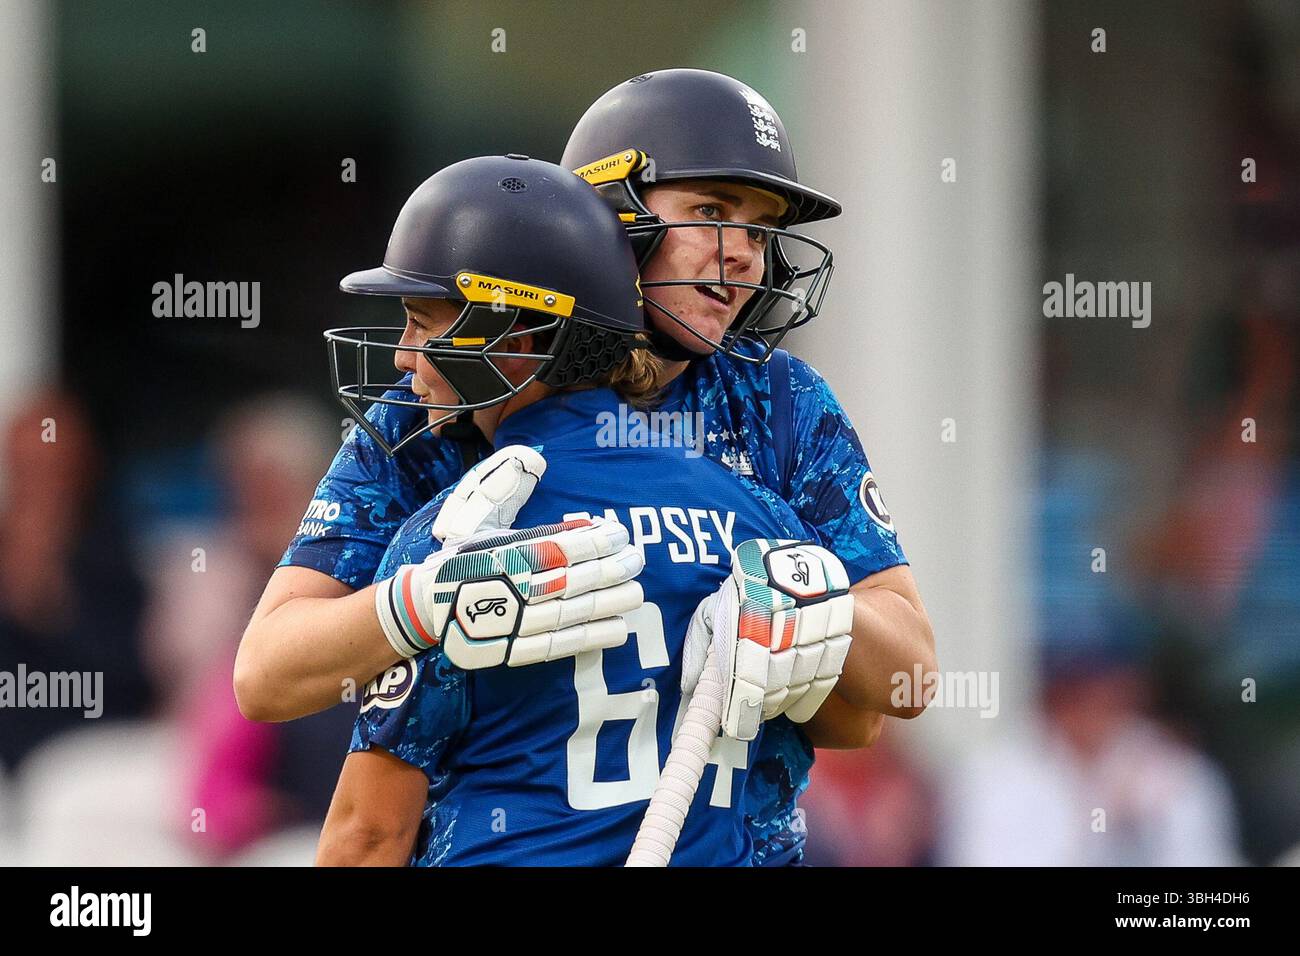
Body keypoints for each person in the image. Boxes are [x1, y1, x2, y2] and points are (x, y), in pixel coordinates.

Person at [236, 70, 936, 865]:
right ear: (608, 212)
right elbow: (268, 673)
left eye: (760, 227)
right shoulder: (439, 396)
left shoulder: (779, 399)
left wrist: (816, 614)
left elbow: (895, 685)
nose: (743, 252)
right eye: (711, 212)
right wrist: (424, 604)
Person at [313, 153, 854, 865]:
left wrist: (416, 600)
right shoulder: (760, 515)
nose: (404, 356)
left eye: (423, 322)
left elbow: (369, 834)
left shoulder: (460, 535)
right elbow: (863, 718)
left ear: (517, 336)